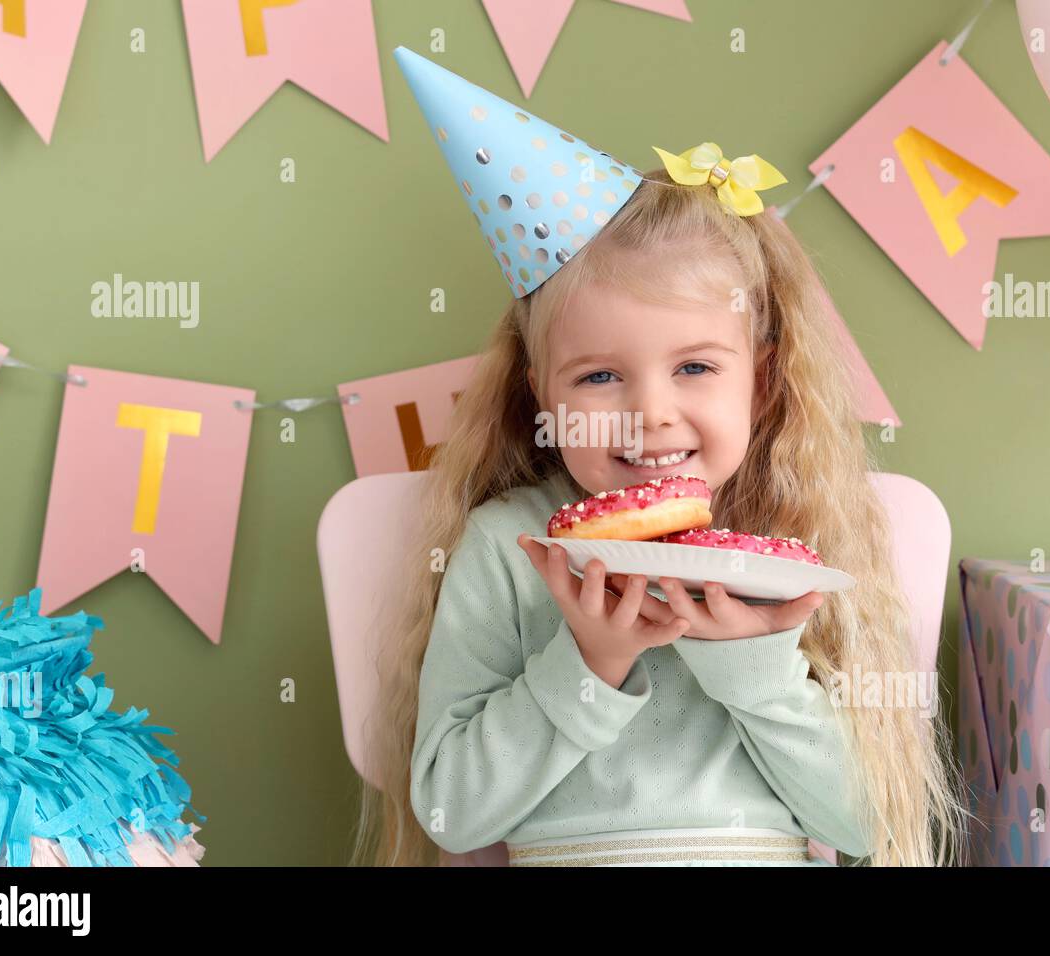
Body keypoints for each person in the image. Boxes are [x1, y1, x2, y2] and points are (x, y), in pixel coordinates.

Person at [353, 47, 968, 867]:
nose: (650, 415)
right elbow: (450, 813)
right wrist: (590, 662)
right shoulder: (512, 550)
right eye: (600, 375)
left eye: (695, 368)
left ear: (762, 380)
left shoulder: (793, 539)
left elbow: (865, 823)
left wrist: (753, 668)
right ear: (542, 396)